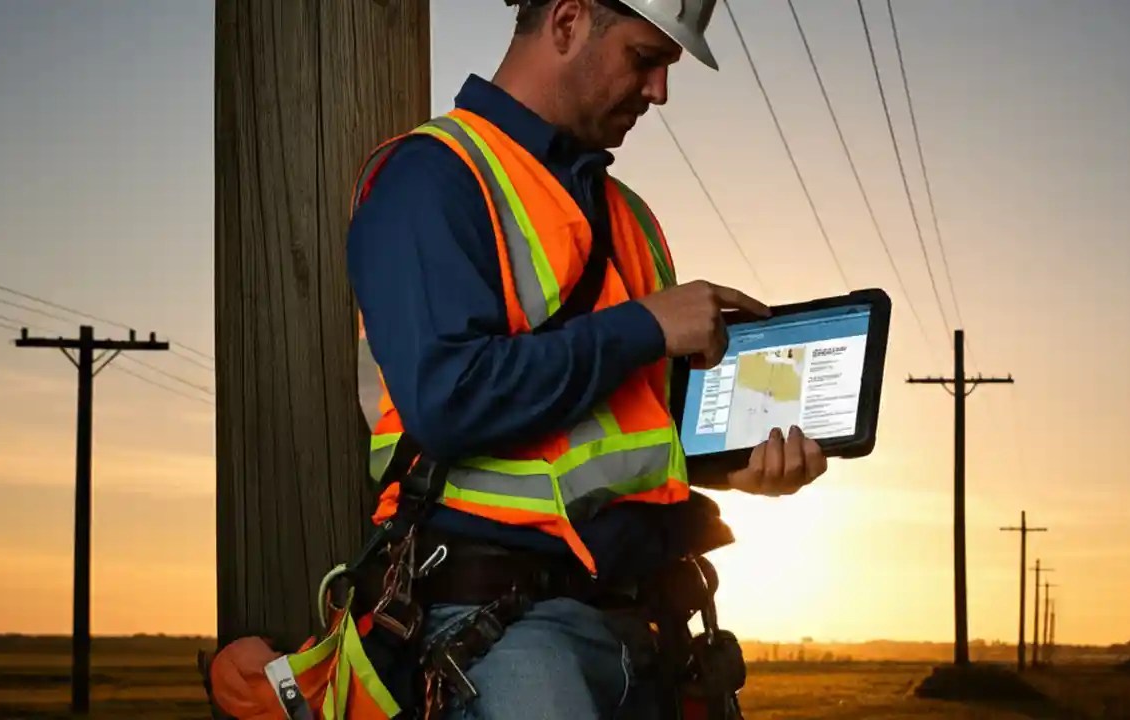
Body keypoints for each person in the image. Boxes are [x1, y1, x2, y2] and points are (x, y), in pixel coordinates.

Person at [346, 1, 829, 717]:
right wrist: (642, 326)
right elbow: (447, 399)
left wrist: (736, 466)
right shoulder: (434, 176)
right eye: (646, 58)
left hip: (648, 625)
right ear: (568, 22)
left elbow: (619, 436)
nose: (660, 91)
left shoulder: (629, 215)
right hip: (505, 631)